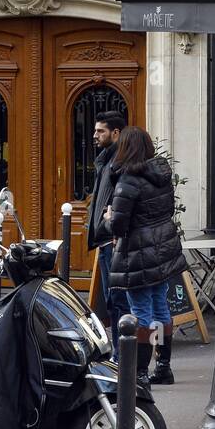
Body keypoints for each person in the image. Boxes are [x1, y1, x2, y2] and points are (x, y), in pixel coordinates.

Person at [106, 126, 187, 386]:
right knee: (160, 307)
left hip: (138, 254)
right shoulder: (161, 175)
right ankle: (163, 366)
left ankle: (140, 372)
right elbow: (166, 210)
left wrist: (108, 219)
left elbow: (119, 224)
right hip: (162, 250)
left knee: (139, 310)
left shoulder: (128, 180)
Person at [87, 111, 128, 359]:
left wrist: (112, 227)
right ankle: (120, 353)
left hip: (113, 239)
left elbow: (121, 201)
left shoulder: (120, 162)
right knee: (113, 299)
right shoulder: (105, 160)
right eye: (95, 130)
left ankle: (122, 355)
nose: (95, 135)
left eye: (100, 131)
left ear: (116, 133)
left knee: (118, 299)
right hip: (105, 239)